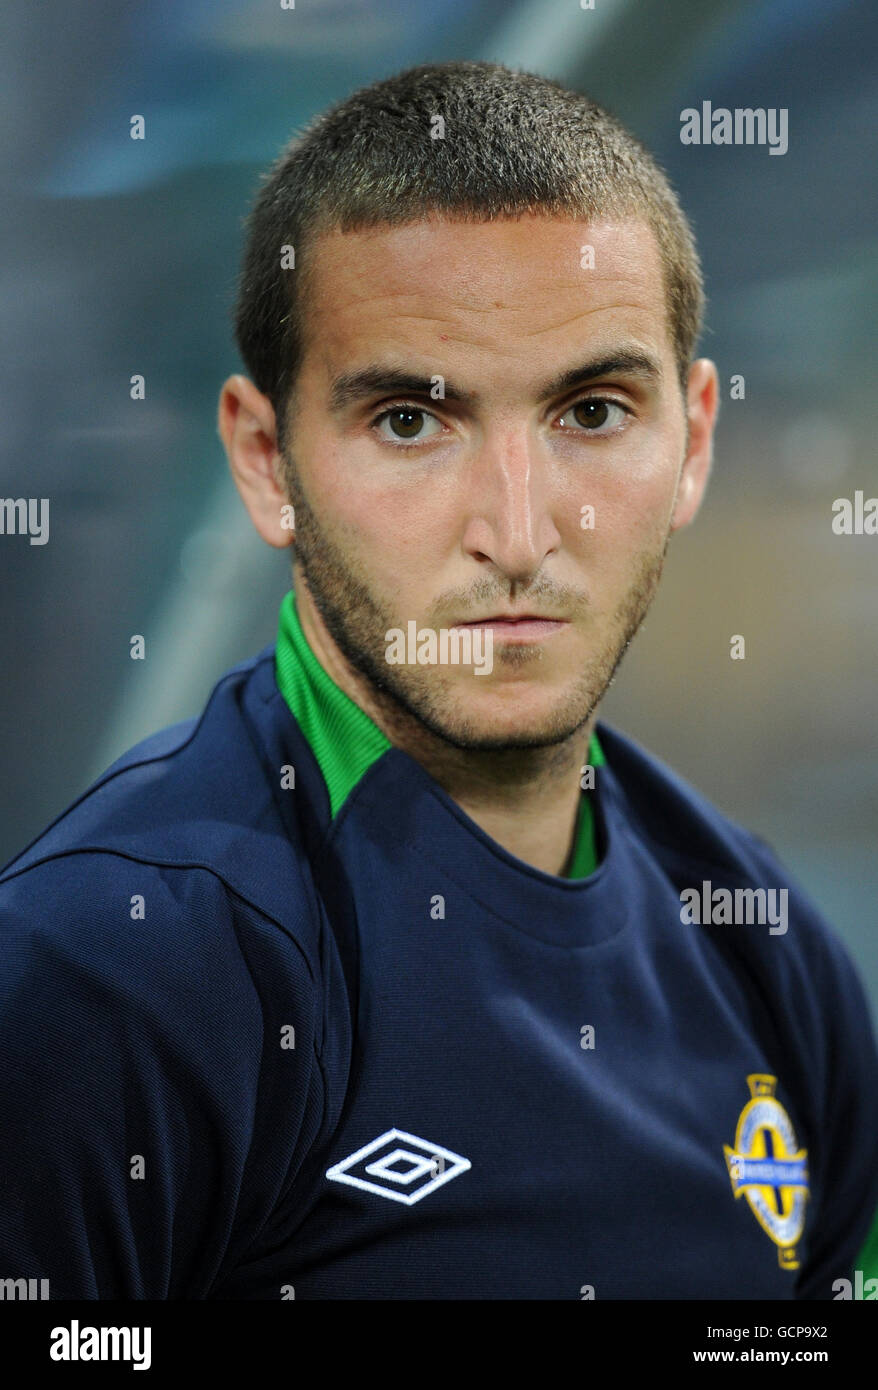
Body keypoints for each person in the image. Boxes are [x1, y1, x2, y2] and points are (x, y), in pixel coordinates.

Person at [1, 60, 876, 1301]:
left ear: (692, 441)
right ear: (264, 462)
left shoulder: (759, 944)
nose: (516, 534)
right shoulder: (116, 968)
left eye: (591, 409)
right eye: (412, 420)